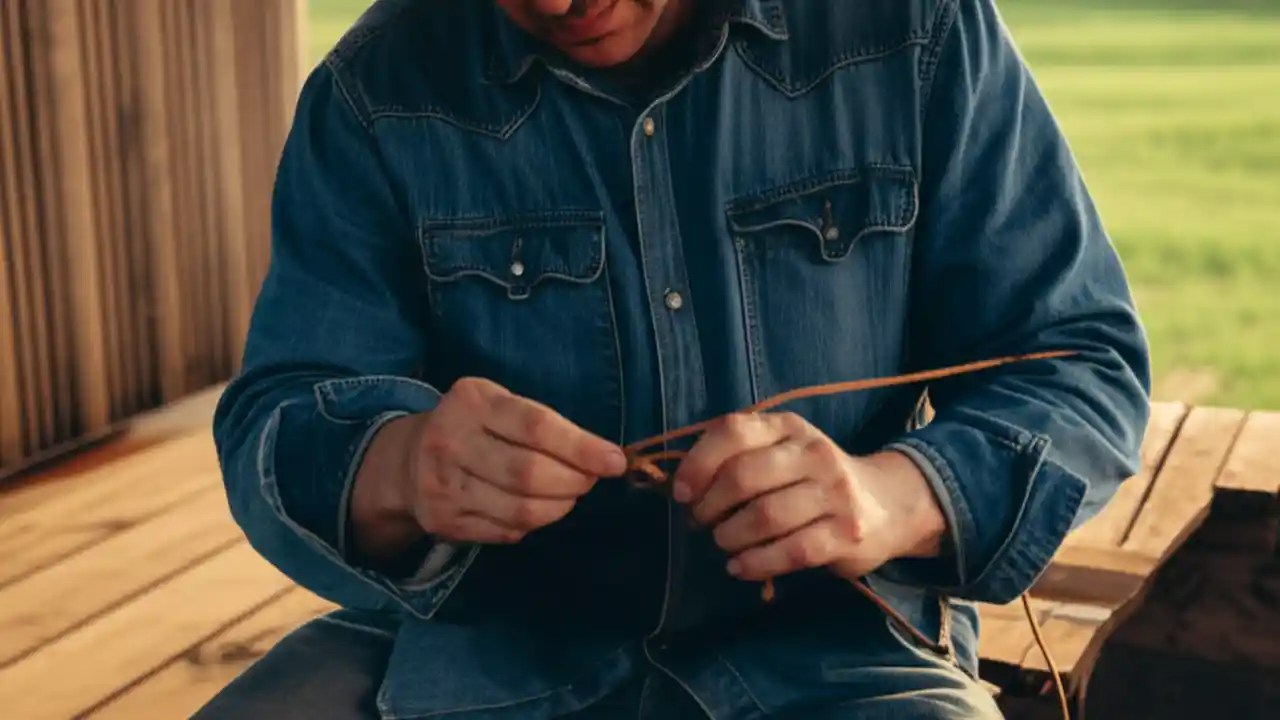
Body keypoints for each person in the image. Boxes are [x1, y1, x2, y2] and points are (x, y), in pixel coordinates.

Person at [205, 0, 1151, 717]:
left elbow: (1080, 362)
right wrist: (401, 467)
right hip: (474, 653)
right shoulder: (376, 90)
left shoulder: (912, 30)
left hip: (844, 659)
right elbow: (277, 417)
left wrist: (891, 496)